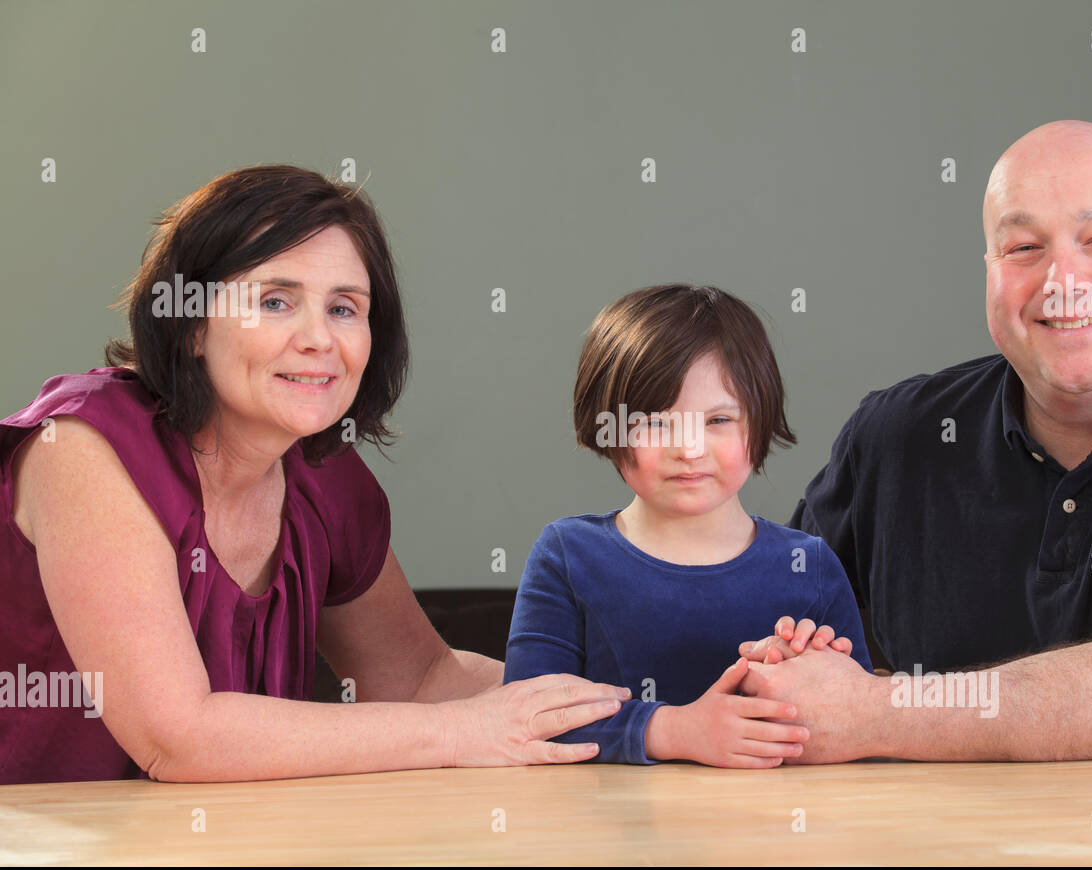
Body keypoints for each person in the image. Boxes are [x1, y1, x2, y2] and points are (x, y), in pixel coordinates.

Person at [0, 165, 630, 784]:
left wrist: (646, 700)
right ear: (191, 323)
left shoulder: (324, 474)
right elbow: (178, 738)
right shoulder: (81, 448)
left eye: (345, 308)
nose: (319, 339)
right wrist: (465, 732)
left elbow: (421, 681)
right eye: (276, 301)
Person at [738, 120, 1092, 761]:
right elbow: (766, 644)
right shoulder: (896, 438)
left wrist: (868, 712)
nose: (1062, 279)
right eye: (1024, 248)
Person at [503, 284, 872, 767]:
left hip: (773, 832)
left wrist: (803, 676)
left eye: (718, 420)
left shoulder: (811, 565)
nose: (690, 448)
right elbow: (528, 719)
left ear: (758, 423)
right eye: (656, 422)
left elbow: (859, 723)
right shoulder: (567, 555)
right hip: (608, 833)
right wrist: (676, 730)